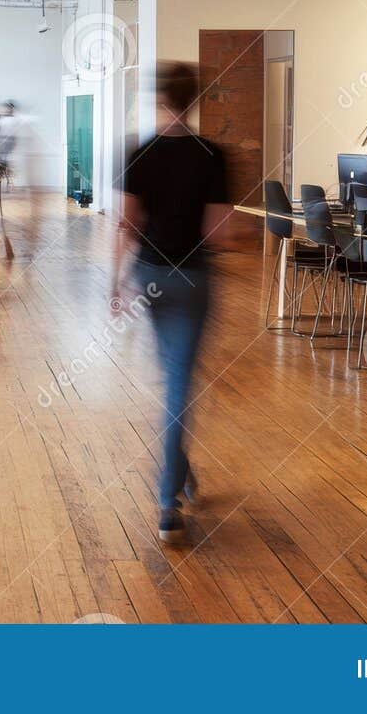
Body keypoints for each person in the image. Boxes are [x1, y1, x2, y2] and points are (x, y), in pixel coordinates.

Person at [112, 64, 234, 545]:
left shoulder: (139, 153)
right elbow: (219, 232)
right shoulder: (213, 155)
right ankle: (168, 499)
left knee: (173, 380)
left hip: (151, 279)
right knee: (179, 385)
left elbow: (127, 225)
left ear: (159, 97)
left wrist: (115, 284)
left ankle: (179, 477)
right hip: (194, 278)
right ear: (195, 98)